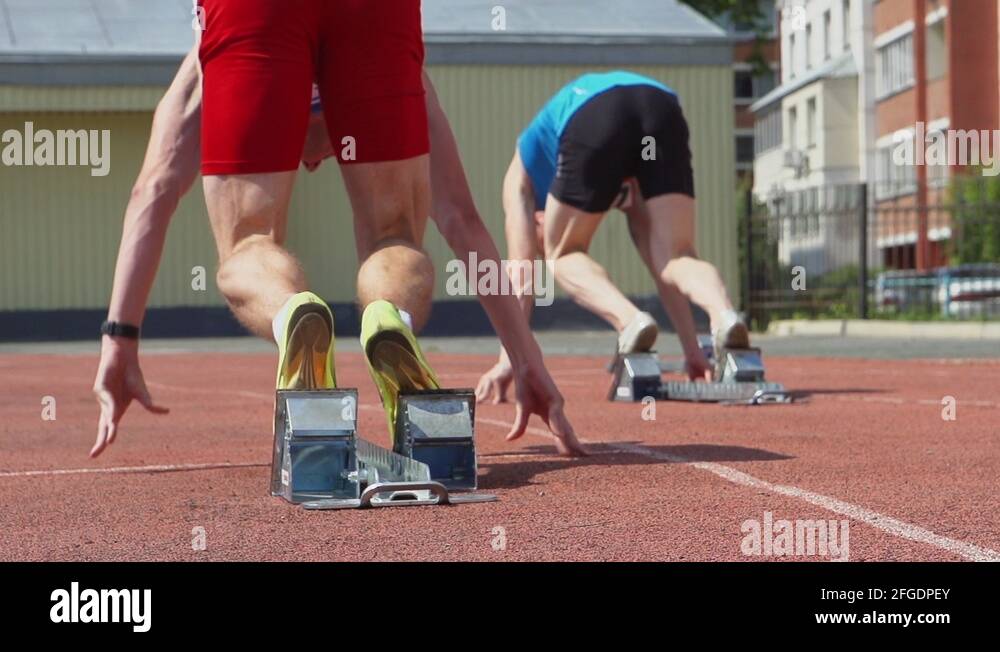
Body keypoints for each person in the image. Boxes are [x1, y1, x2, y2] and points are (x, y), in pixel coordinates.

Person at [92, 6, 586, 461]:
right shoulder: (414, 77)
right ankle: (389, 317)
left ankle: (293, 316)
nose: (309, 164)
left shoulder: (202, 67)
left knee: (250, 242)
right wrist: (524, 356)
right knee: (393, 236)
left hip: (258, 13)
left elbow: (151, 194)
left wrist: (120, 340)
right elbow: (461, 217)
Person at [476, 70, 749, 404]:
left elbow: (521, 276)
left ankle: (631, 321)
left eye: (537, 242)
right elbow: (659, 264)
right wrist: (693, 351)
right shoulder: (592, 178)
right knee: (676, 256)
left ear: (537, 217)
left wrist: (509, 362)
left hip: (595, 114)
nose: (537, 248)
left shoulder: (520, 180)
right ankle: (724, 316)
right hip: (660, 106)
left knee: (563, 256)